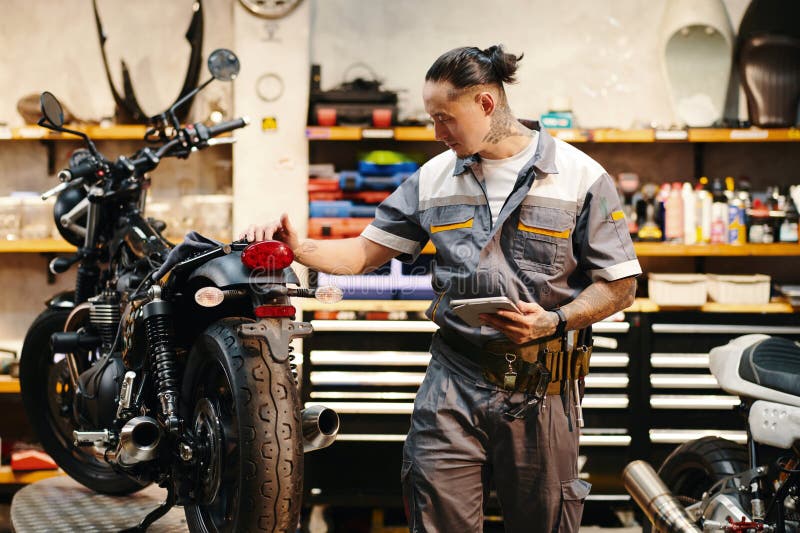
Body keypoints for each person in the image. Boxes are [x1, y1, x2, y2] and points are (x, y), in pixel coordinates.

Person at [241, 45, 640, 533]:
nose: (437, 132)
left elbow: (620, 286)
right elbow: (365, 253)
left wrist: (553, 321)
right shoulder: (432, 178)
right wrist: (299, 249)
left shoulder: (579, 177)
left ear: (486, 104)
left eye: (445, 118)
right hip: (453, 383)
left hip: (542, 390)